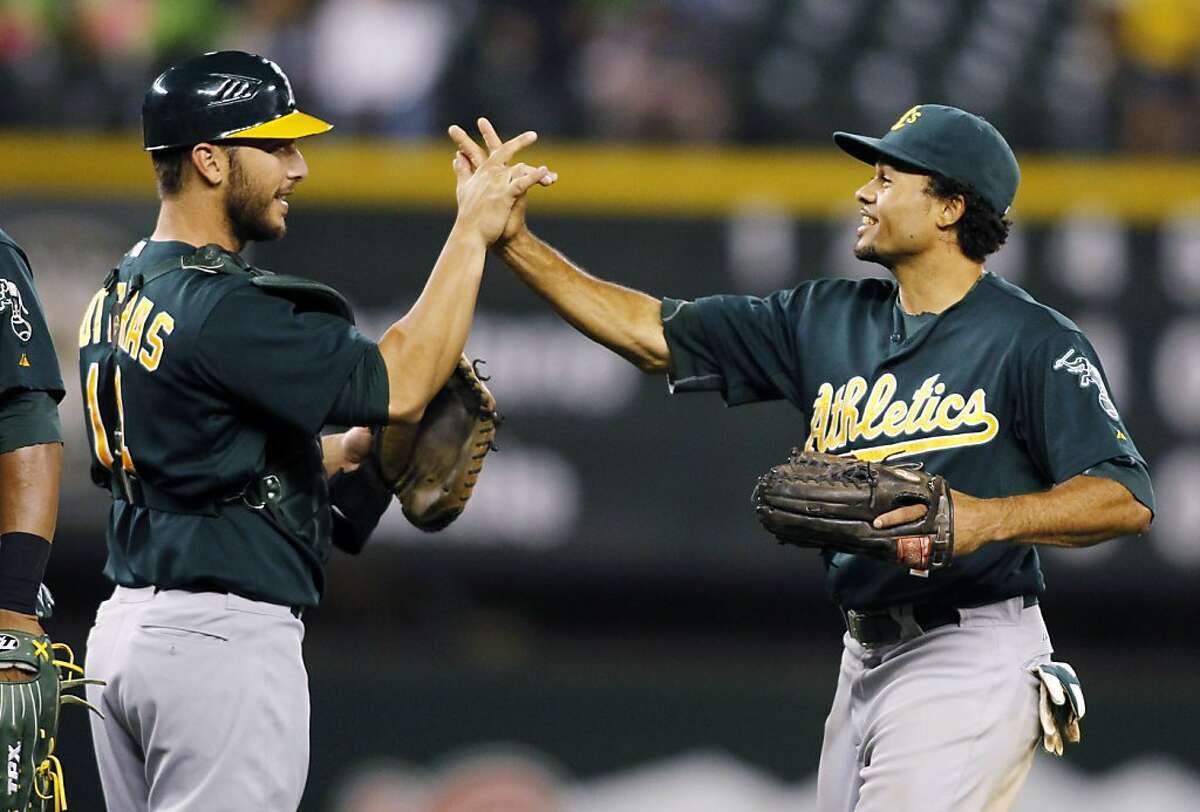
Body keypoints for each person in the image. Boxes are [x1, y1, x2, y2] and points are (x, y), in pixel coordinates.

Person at [450, 106, 1155, 811]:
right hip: (864, 658)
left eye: (886, 177)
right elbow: (649, 334)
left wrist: (986, 519)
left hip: (969, 652)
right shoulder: (824, 316)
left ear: (949, 207)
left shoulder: (1031, 339)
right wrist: (513, 242)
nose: (863, 192)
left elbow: (1125, 496)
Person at [77, 51, 547, 811]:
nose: (297, 167)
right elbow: (402, 382)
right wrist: (473, 229)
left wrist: (339, 453)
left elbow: (197, 456)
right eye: (276, 145)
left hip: (128, 632)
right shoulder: (220, 306)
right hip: (217, 643)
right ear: (209, 159)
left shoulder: (126, 282)